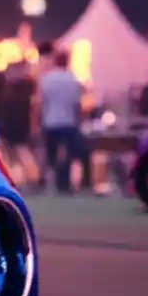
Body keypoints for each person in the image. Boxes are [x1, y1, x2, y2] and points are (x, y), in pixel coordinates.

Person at [39, 51, 87, 195]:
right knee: (68, 155)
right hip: (68, 122)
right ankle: (64, 184)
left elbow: (41, 103)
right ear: (67, 61)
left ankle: (51, 182)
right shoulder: (73, 80)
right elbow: (77, 104)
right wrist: (79, 120)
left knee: (51, 154)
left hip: (50, 121)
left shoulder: (46, 79)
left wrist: (36, 123)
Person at [0, 63, 40, 188]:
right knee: (22, 152)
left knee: (12, 154)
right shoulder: (26, 92)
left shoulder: (8, 92)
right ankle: (32, 177)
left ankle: (26, 177)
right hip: (21, 125)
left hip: (9, 125)